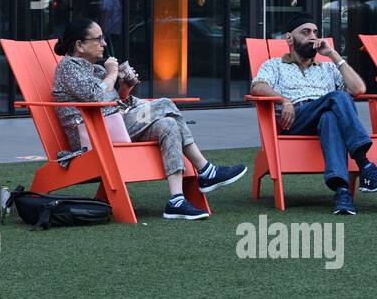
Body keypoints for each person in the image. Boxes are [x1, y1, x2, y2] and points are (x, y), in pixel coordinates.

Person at [51, 18, 247, 221]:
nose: (104, 43)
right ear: (79, 45)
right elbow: (97, 97)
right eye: (98, 39)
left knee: (167, 123)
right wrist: (112, 74)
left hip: (113, 127)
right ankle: (206, 170)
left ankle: (176, 200)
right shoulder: (69, 68)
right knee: (165, 104)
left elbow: (116, 101)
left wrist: (125, 88)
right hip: (92, 137)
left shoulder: (95, 70)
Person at [250, 13, 377, 216]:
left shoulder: (328, 67)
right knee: (337, 98)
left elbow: (358, 89)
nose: (313, 37)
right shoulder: (275, 65)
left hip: (325, 120)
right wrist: (284, 100)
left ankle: (342, 192)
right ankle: (365, 165)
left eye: (316, 32)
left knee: (330, 117)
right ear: (289, 38)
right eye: (306, 32)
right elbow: (257, 86)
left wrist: (334, 56)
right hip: (295, 120)